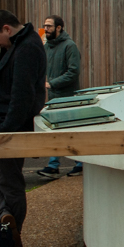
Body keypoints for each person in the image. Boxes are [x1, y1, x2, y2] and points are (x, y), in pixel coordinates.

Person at [0, 10, 48, 247]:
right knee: (6, 181)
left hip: (10, 127)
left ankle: (9, 240)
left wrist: (5, 133)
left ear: (7, 29)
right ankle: (5, 224)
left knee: (10, 183)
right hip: (8, 123)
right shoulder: (16, 45)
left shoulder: (27, 48)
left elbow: (22, 96)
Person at [37, 16, 82, 178]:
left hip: (68, 97)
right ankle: (53, 165)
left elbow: (73, 72)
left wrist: (52, 83)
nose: (46, 28)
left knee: (70, 131)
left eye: (49, 26)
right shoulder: (47, 46)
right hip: (53, 98)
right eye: (44, 26)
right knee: (53, 130)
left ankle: (80, 163)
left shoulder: (70, 46)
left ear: (59, 28)